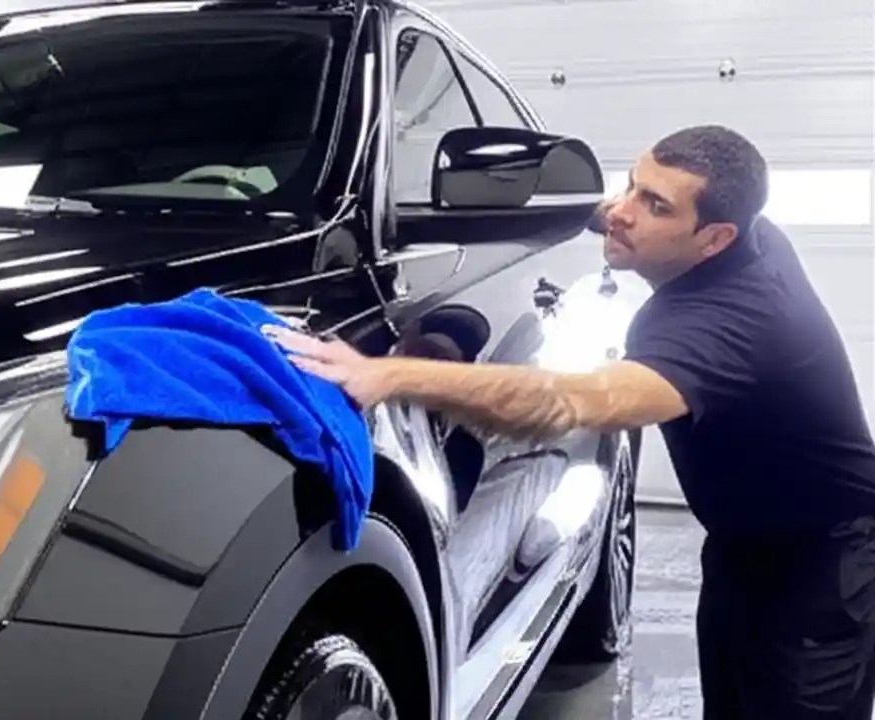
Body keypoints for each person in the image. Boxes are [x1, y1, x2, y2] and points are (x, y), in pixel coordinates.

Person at [264, 124, 875, 719]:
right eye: (632, 185)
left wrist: (386, 375)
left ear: (714, 239)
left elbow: (575, 404)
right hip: (744, 545)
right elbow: (614, 213)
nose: (623, 212)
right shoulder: (742, 232)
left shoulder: (731, 324)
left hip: (823, 569)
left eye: (654, 205)